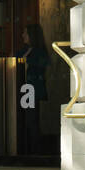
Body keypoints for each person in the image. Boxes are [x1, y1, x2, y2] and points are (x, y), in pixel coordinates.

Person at [20, 23, 50, 154]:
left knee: (31, 120)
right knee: (26, 119)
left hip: (31, 89)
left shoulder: (39, 52)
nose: (23, 35)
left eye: (25, 33)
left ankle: (34, 151)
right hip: (25, 89)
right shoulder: (25, 50)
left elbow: (40, 67)